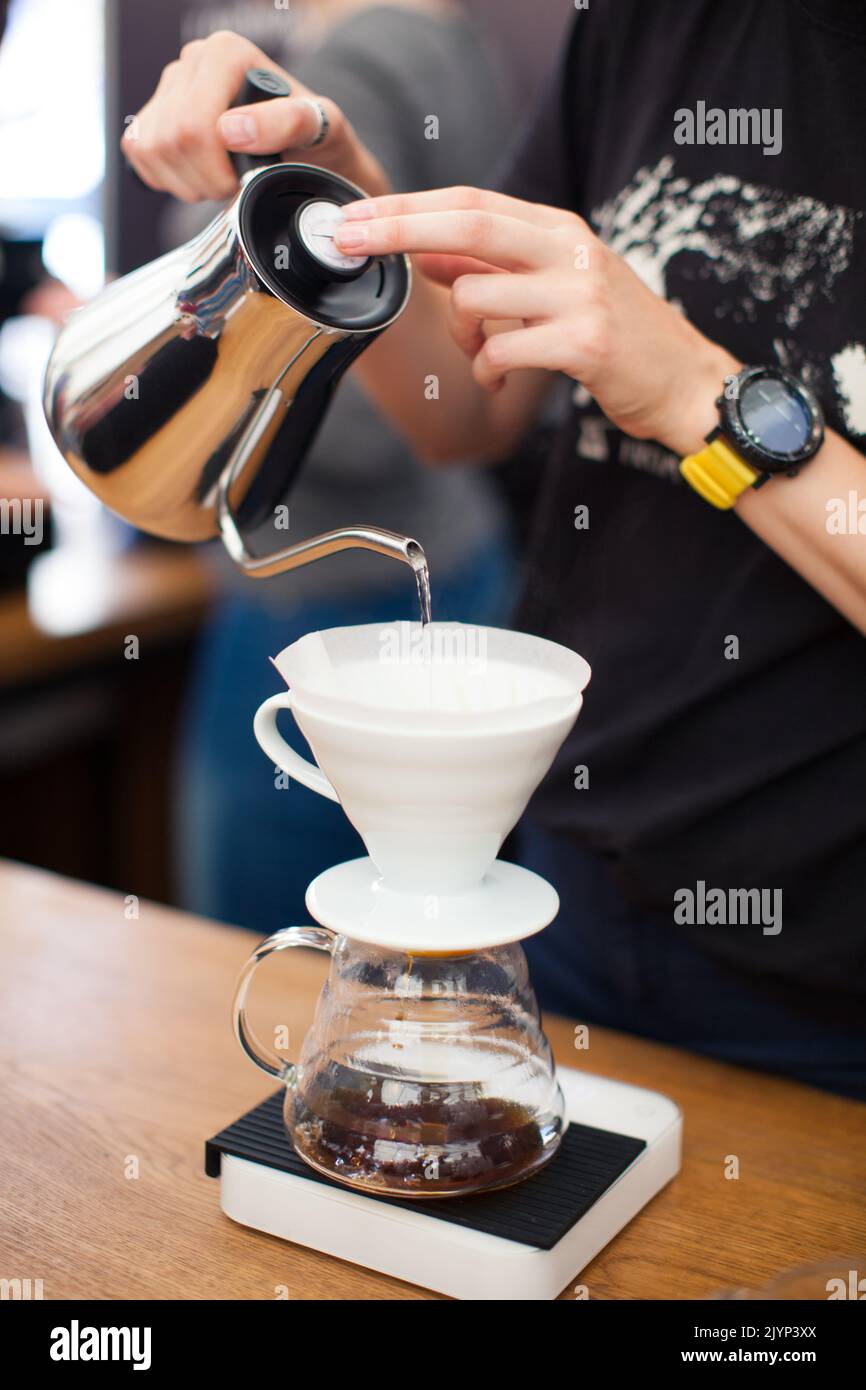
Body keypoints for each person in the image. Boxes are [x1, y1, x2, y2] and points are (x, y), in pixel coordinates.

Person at [125, 1, 866, 1098]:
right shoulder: (643, 28)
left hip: (822, 980)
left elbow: (658, 378)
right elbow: (464, 414)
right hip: (562, 894)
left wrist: (695, 396)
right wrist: (333, 184)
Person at [159, 1, 515, 931]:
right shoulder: (456, 54)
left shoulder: (358, 70)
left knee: (267, 961)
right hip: (449, 568)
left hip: (329, 605)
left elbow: (368, 418)